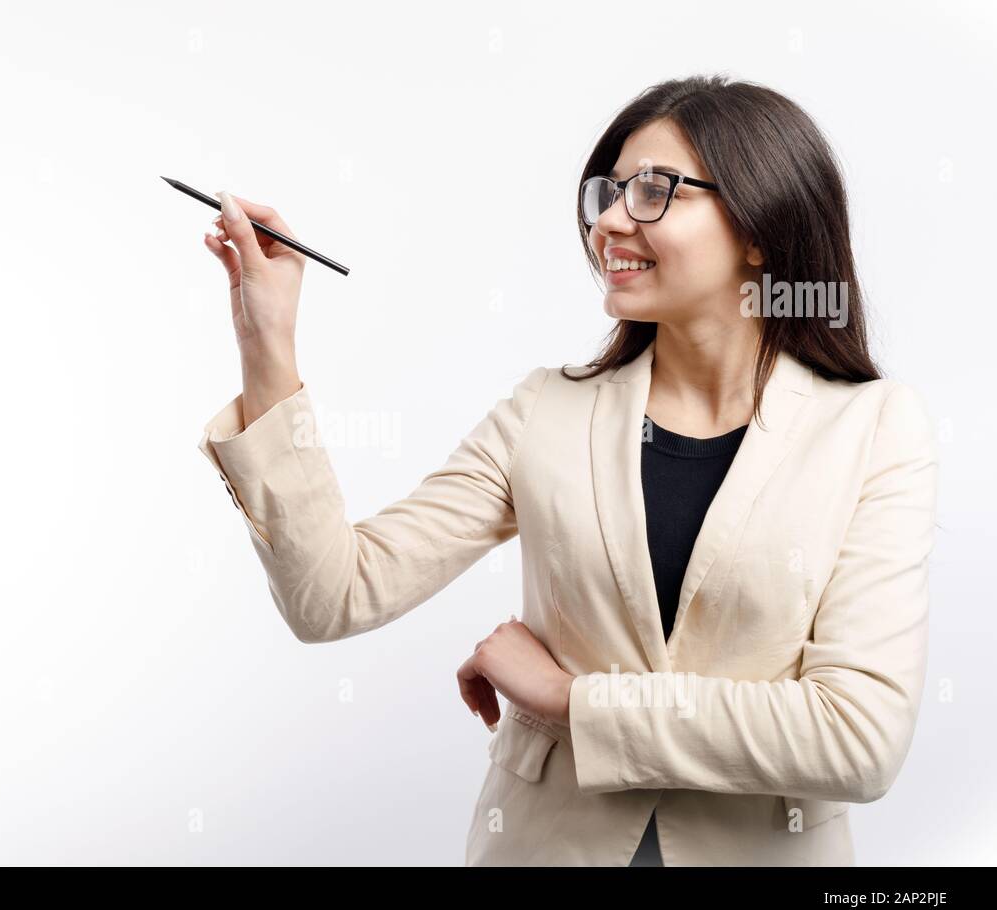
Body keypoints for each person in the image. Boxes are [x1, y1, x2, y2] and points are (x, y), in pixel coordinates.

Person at [196, 74, 938, 866]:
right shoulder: (545, 412)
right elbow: (333, 596)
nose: (610, 221)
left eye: (654, 191)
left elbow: (859, 739)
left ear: (759, 230)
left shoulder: (872, 429)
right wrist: (266, 340)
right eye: (608, 193)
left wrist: (570, 702)